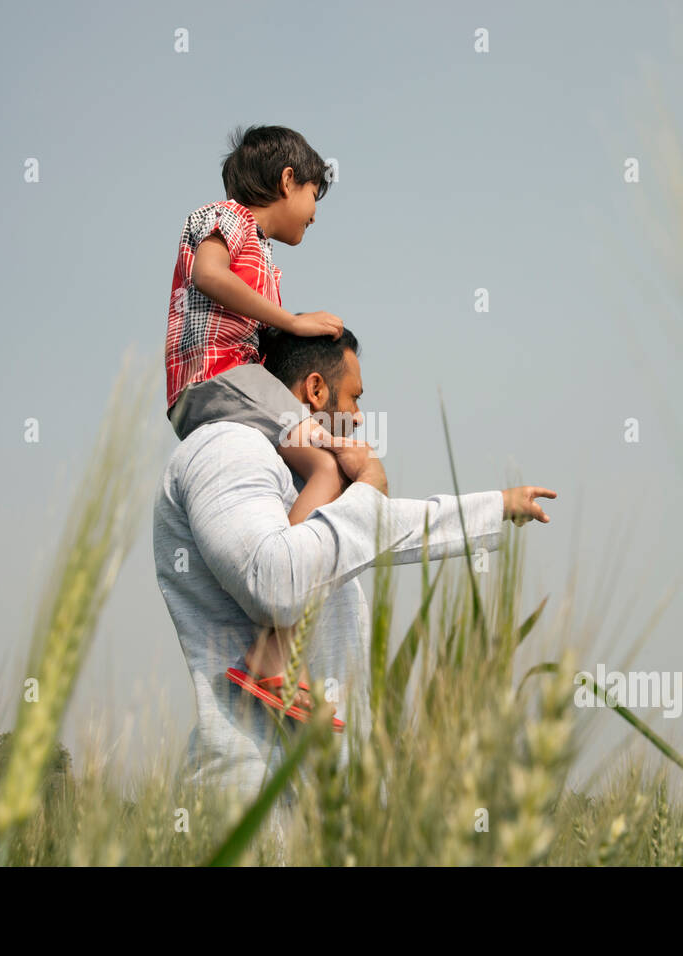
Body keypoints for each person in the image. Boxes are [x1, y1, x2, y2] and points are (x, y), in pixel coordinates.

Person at [153, 326, 557, 804]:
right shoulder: (226, 449)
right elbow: (276, 584)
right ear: (316, 389)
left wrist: (495, 507)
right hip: (252, 794)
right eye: (354, 398)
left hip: (319, 793)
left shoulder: (295, 469)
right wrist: (366, 483)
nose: (360, 418)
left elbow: (372, 530)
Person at [163, 124, 355, 712]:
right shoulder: (221, 217)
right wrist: (294, 323)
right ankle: (271, 658)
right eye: (314, 197)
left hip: (234, 383)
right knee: (331, 464)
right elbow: (208, 276)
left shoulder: (265, 257)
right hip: (215, 377)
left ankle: (278, 654)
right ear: (287, 180)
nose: (315, 216)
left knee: (325, 465)